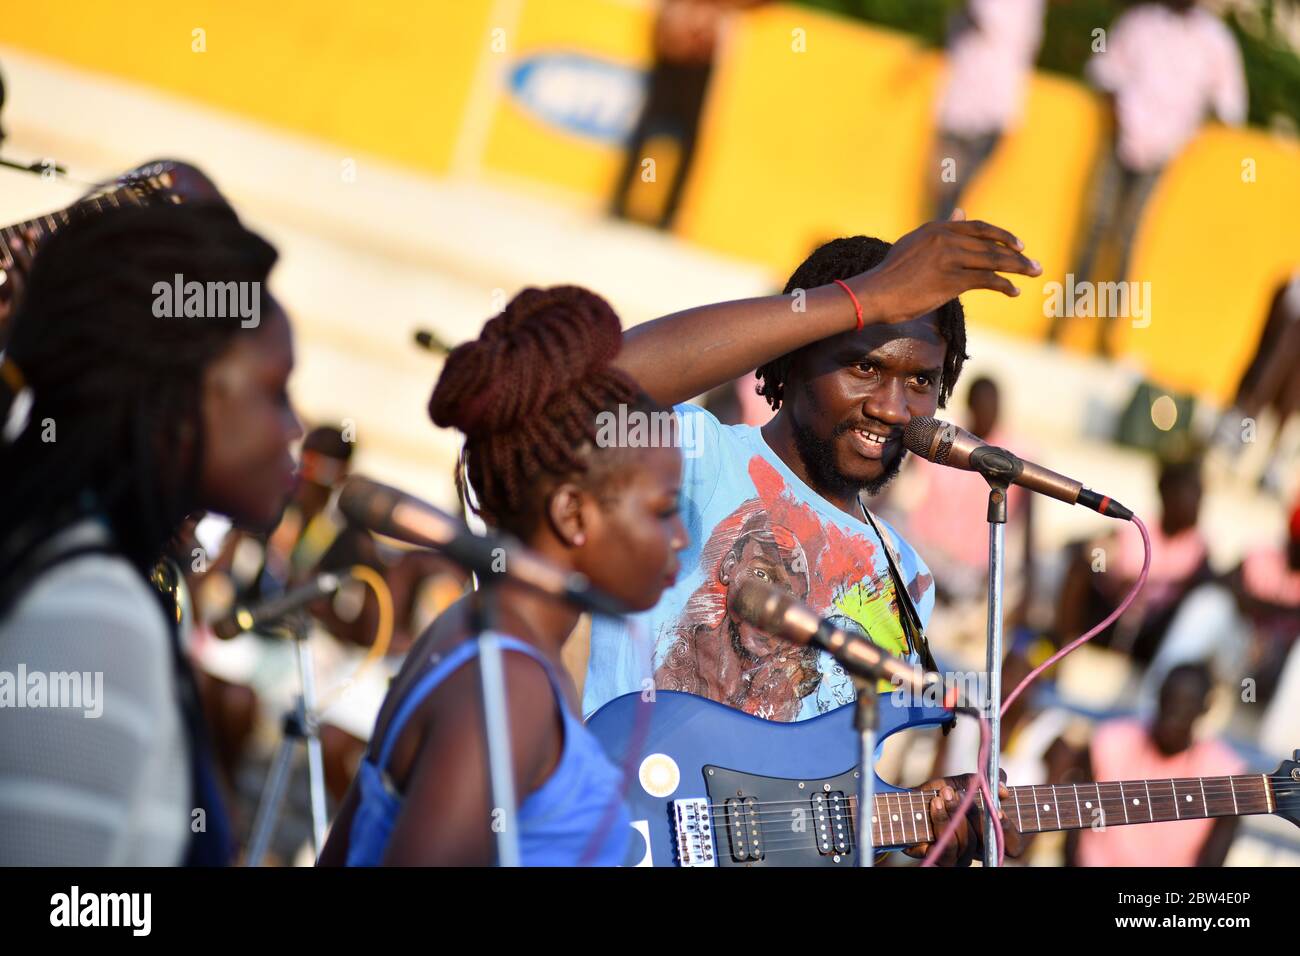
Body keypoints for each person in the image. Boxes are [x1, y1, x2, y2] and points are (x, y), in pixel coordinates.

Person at [586, 213, 1042, 862]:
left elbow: (829, 820)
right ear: (795, 362)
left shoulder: (908, 584)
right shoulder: (695, 454)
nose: (892, 406)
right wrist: (865, 298)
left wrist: (934, 832)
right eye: (864, 366)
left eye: (920, 382)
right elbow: (597, 388)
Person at [318, 286, 689, 866]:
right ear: (573, 514)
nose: (680, 537)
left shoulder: (489, 639)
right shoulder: (509, 682)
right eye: (663, 509)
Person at [0, 202, 302, 865]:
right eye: (275, 392)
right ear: (182, 399)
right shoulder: (94, 612)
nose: (295, 429)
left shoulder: (93, 571)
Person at [1064, 0, 1246, 350]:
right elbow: (1105, 70)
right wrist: (1117, 114)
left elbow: (1229, 105)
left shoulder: (1215, 41)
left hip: (1164, 153)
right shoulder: (1141, 22)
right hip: (1118, 139)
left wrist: (1186, 130)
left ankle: (1108, 336)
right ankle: (1063, 322)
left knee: (1130, 237)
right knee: (1096, 227)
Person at [1065, 663, 1245, 867]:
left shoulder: (1224, 774)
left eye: (1187, 704)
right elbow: (1075, 829)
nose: (1174, 713)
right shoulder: (1109, 742)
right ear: (1159, 696)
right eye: (1170, 699)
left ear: (1204, 708)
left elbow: (1214, 859)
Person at [1056, 455, 1213, 667]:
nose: (1197, 502)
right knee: (1080, 568)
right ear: (1166, 493)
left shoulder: (1199, 549)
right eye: (1190, 494)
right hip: (1111, 613)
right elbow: (1084, 551)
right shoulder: (1135, 530)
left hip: (1151, 633)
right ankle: (1061, 652)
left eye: (1199, 495)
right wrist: (1104, 568)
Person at [931, 0, 1046, 219]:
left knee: (951, 194)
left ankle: (938, 243)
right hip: (966, 111)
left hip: (989, 113)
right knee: (947, 193)